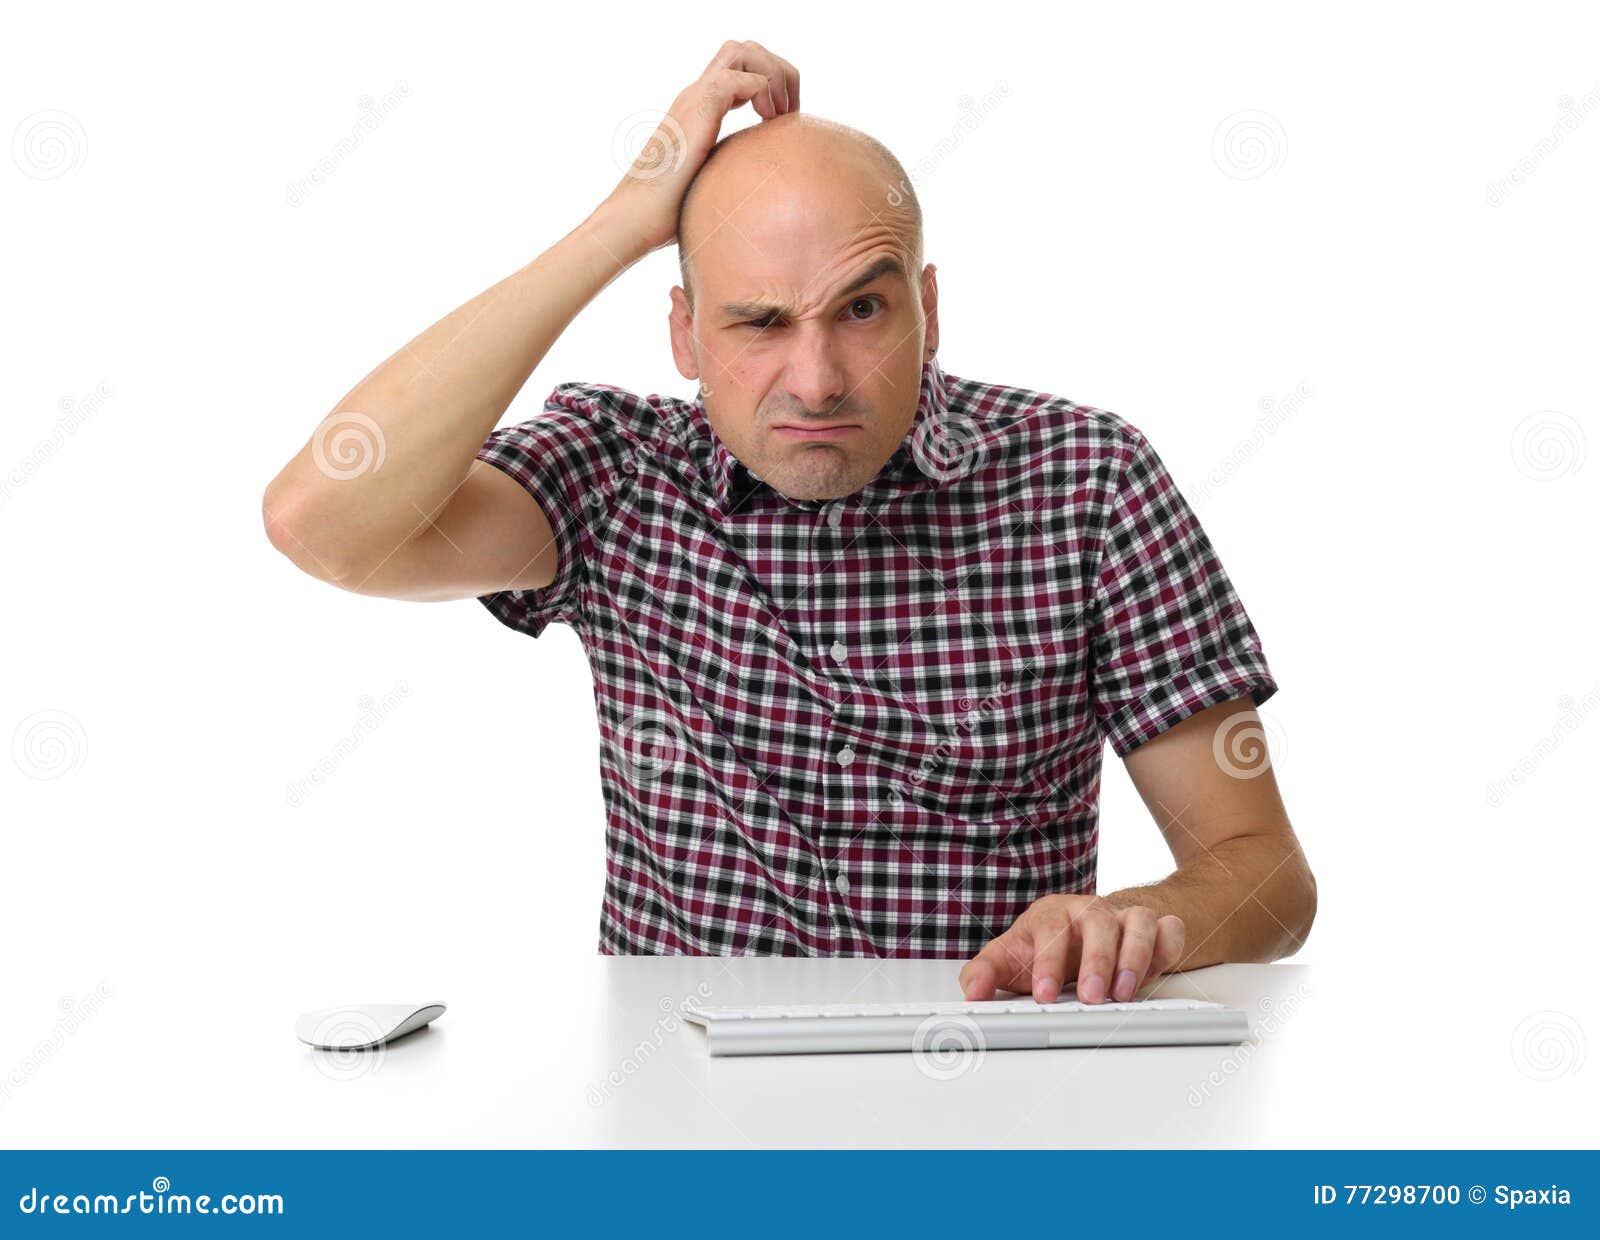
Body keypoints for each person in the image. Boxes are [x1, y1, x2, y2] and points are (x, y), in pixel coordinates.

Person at [263, 40, 1316, 1005]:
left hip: (986, 1100)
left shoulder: (1087, 481)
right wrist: (621, 224)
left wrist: (1139, 922)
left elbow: (1263, 873)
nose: (814, 380)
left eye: (860, 309)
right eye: (758, 322)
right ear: (682, 332)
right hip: (683, 1117)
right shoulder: (618, 475)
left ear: (928, 309)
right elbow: (324, 522)